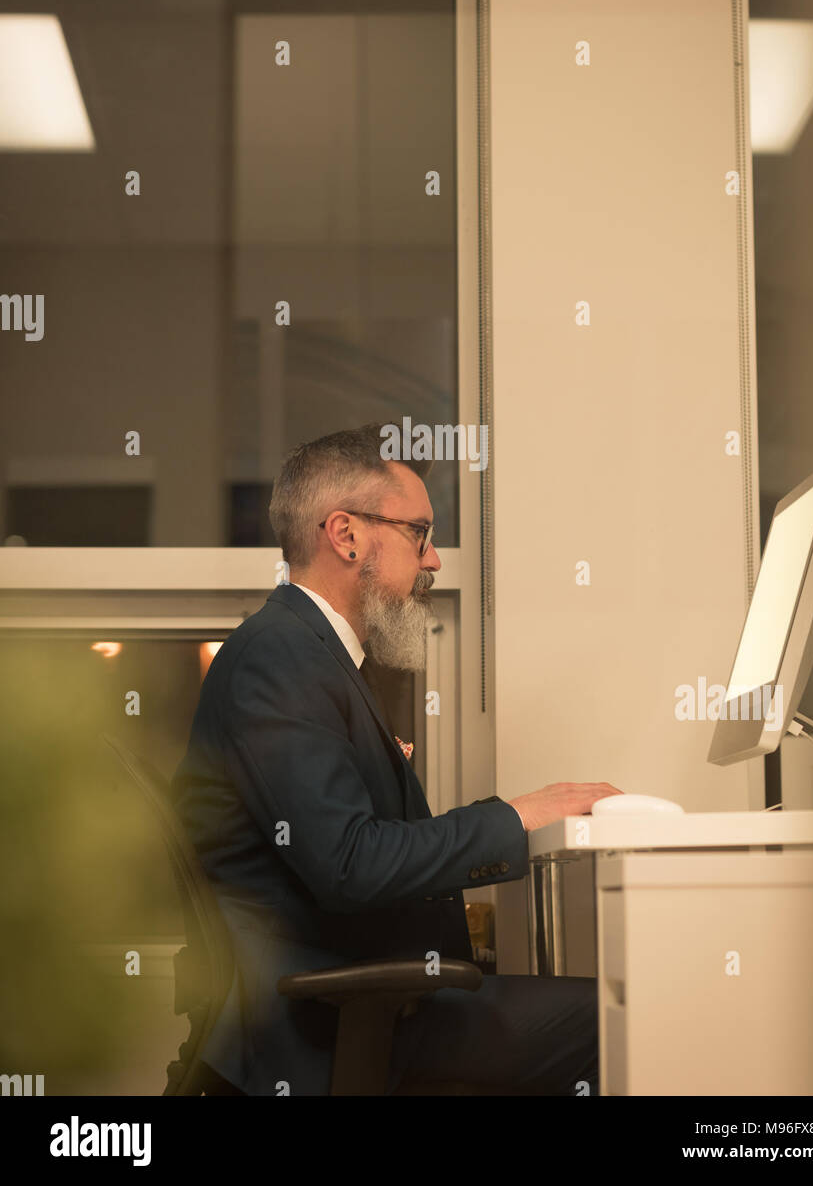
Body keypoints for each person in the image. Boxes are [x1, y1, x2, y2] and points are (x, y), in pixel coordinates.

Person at [171, 423, 622, 1095]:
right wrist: (518, 814)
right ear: (346, 535)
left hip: (350, 1009)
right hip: (320, 1035)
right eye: (419, 533)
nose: (433, 559)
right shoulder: (282, 659)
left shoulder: (310, 658)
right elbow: (350, 865)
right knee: (617, 1022)